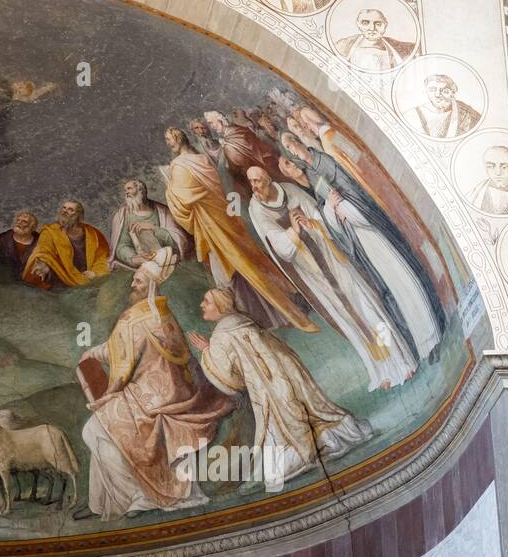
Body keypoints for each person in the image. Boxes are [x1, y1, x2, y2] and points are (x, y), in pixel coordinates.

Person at [74, 250, 232, 520]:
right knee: (99, 429)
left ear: (151, 287)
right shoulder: (162, 314)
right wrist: (99, 352)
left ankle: (140, 495)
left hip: (150, 400)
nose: (132, 286)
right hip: (177, 394)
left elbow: (121, 359)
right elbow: (122, 349)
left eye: (138, 282)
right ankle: (106, 502)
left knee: (93, 430)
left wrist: (94, 358)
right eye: (134, 281)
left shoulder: (133, 318)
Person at [246, 166, 416, 391]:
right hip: (313, 274)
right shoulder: (256, 209)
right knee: (350, 320)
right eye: (251, 183)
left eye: (258, 181)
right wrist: (294, 232)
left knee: (367, 308)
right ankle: (381, 370)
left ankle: (400, 361)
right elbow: (279, 246)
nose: (255, 187)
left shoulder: (290, 191)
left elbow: (319, 217)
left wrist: (316, 220)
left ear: (267, 178)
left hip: (332, 260)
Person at [189, 288, 374, 492]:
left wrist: (206, 352)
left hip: (265, 385)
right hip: (287, 368)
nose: (202, 305)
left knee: (281, 418)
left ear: (221, 306)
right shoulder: (243, 321)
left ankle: (295, 455)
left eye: (206, 301)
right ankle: (323, 437)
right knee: (303, 405)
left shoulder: (221, 336)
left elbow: (229, 380)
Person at [278, 141, 443, 365]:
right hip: (361, 242)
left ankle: (432, 334)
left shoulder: (325, 164)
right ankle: (424, 344)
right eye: (287, 163)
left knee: (403, 280)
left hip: (372, 235)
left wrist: (341, 208)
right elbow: (330, 213)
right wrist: (333, 210)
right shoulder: (315, 182)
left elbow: (354, 196)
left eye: (292, 147)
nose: (293, 155)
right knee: (394, 290)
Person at [162, 127, 314, 332]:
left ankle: (285, 306)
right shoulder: (199, 159)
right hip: (220, 219)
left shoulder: (181, 165)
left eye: (170, 139)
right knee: (237, 268)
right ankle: (267, 315)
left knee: (242, 266)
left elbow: (184, 201)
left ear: (179, 139)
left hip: (216, 221)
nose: (169, 144)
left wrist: (170, 192)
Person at [23, 200, 110, 289]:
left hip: (88, 279)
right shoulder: (50, 232)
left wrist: (95, 273)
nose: (65, 211)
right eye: (64, 208)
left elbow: (102, 258)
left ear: (78, 215)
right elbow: (43, 252)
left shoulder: (93, 234)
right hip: (62, 280)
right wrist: (44, 264)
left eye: (70, 209)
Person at [107, 179, 189, 271]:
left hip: (166, 263)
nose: (126, 192)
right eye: (125, 190)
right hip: (138, 266)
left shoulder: (163, 212)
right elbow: (121, 245)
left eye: (129, 189)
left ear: (140, 190)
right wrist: (133, 258)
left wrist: (154, 228)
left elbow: (178, 242)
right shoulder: (123, 215)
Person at [333, 8, 414, 72]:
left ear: (385, 25)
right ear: (358, 24)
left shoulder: (400, 47)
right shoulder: (343, 46)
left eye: (378, 24)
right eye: (365, 23)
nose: (372, 28)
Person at [404, 73, 481, 139]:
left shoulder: (467, 113)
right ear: (426, 91)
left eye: (445, 91)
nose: (437, 95)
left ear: (453, 92)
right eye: (432, 90)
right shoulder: (411, 115)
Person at [0, 211, 40, 281]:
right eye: (18, 220)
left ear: (32, 227)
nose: (19, 223)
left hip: (31, 285)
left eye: (24, 222)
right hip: (5, 282)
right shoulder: (1, 239)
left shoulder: (41, 243)